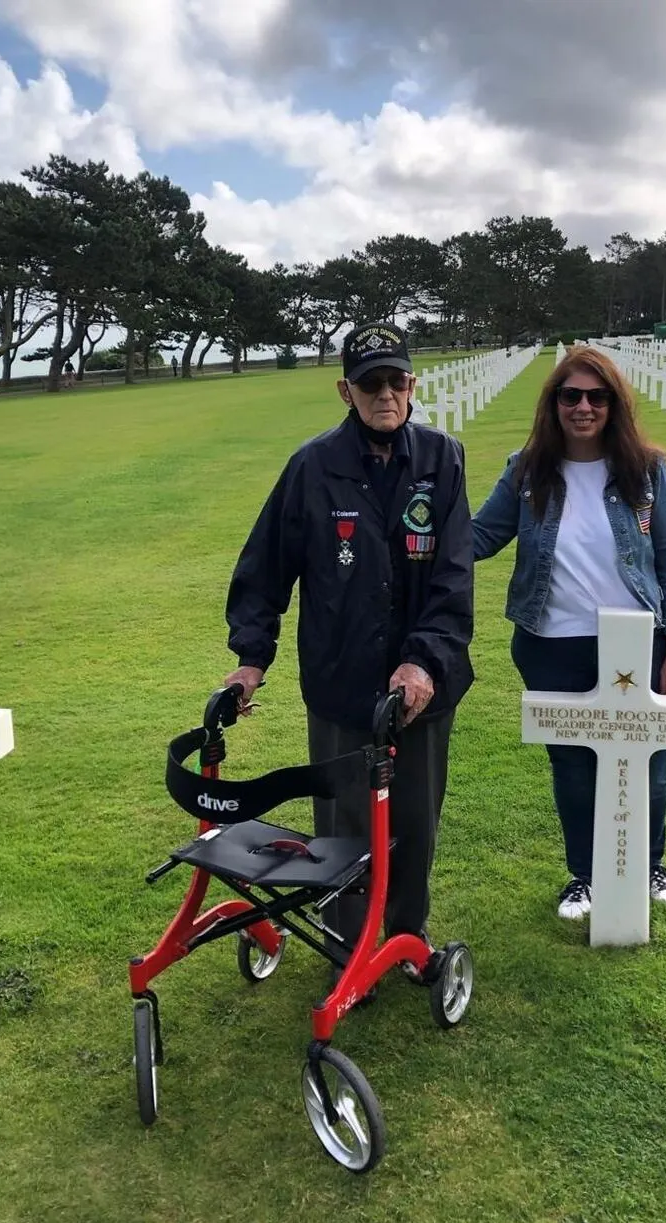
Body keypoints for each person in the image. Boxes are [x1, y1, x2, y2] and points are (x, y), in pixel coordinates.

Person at [224, 320, 474, 986]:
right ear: (346, 391)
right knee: (343, 825)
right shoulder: (312, 467)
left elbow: (453, 577)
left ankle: (405, 939)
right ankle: (346, 948)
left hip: (420, 689)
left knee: (413, 819)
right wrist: (252, 659)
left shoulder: (442, 460)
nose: (384, 395)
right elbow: (264, 568)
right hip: (340, 682)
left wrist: (424, 661)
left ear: (413, 385)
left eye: (396, 381)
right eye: (370, 384)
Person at [472, 346, 666, 921]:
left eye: (596, 396)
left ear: (613, 404)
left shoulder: (646, 471)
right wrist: (414, 530)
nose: (582, 407)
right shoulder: (527, 471)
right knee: (573, 767)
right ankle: (585, 876)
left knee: (648, 761)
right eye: (570, 395)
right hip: (551, 643)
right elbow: (478, 538)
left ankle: (648, 864)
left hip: (636, 642)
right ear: (553, 403)